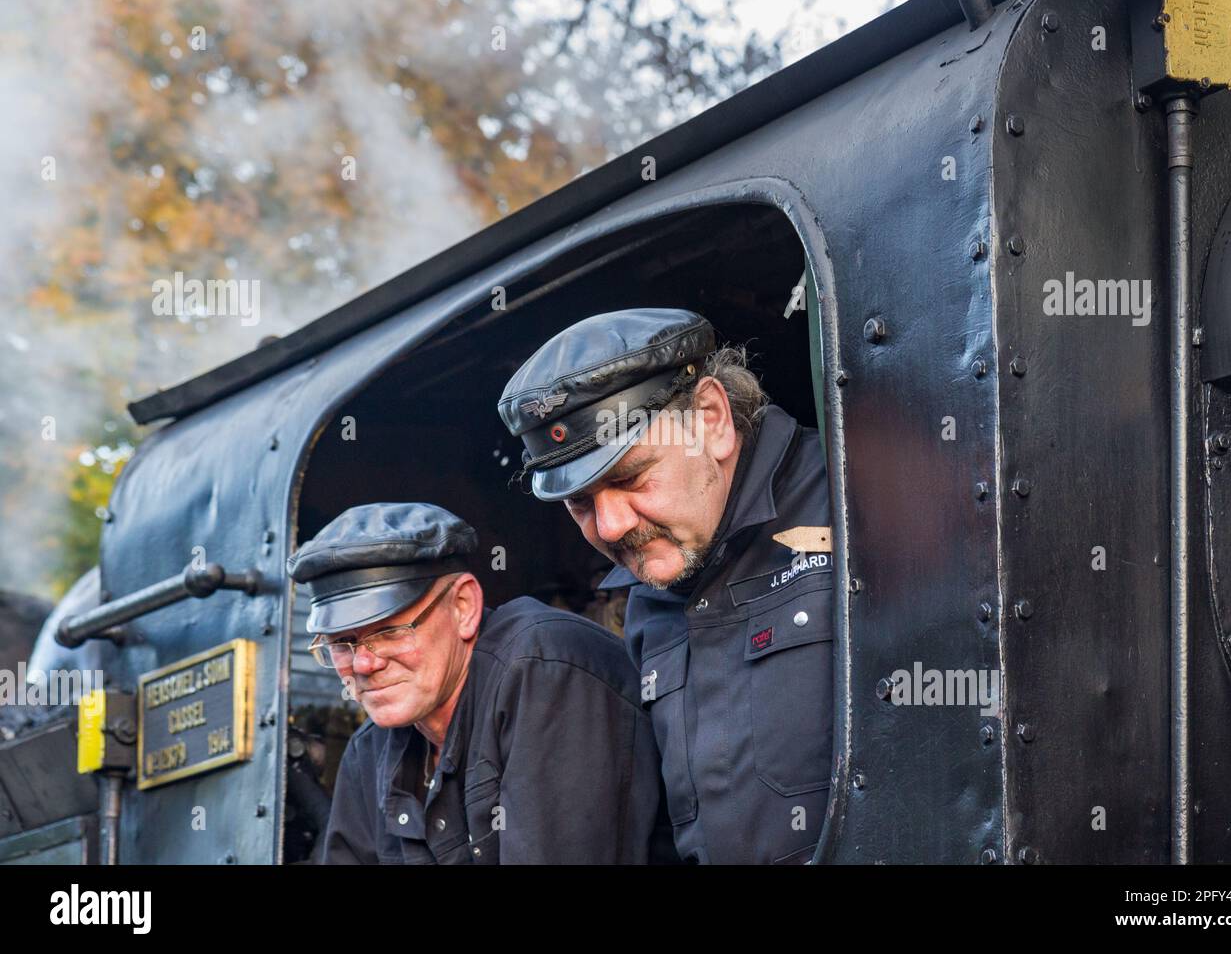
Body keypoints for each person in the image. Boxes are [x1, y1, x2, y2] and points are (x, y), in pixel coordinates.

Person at [498, 307, 833, 864]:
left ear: (711, 418)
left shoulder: (858, 501)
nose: (610, 527)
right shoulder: (649, 600)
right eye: (579, 504)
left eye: (630, 477)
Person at [287, 501, 661, 863]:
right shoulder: (369, 752)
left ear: (463, 607)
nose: (364, 663)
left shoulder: (547, 673)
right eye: (341, 643)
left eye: (390, 631)